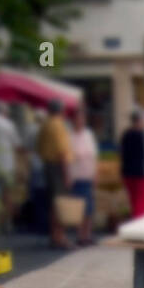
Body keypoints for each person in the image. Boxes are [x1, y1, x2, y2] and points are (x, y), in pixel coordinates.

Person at [36, 98, 73, 248]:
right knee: (60, 202)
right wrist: (67, 174)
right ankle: (60, 236)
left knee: (53, 202)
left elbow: (38, 147)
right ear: (61, 111)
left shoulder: (45, 125)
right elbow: (62, 151)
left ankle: (54, 235)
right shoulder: (58, 125)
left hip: (47, 165)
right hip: (58, 166)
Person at [68, 108, 99, 246]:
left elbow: (94, 156)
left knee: (89, 207)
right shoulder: (70, 136)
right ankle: (80, 235)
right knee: (79, 208)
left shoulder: (88, 134)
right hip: (76, 176)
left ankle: (88, 234)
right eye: (78, 119)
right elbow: (67, 158)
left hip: (88, 174)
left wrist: (95, 174)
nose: (80, 121)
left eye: (82, 119)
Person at [120, 108, 144, 218]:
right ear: (139, 121)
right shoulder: (142, 136)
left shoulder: (125, 135)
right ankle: (139, 224)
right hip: (141, 173)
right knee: (141, 202)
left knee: (133, 201)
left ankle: (134, 221)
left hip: (128, 173)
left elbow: (123, 154)